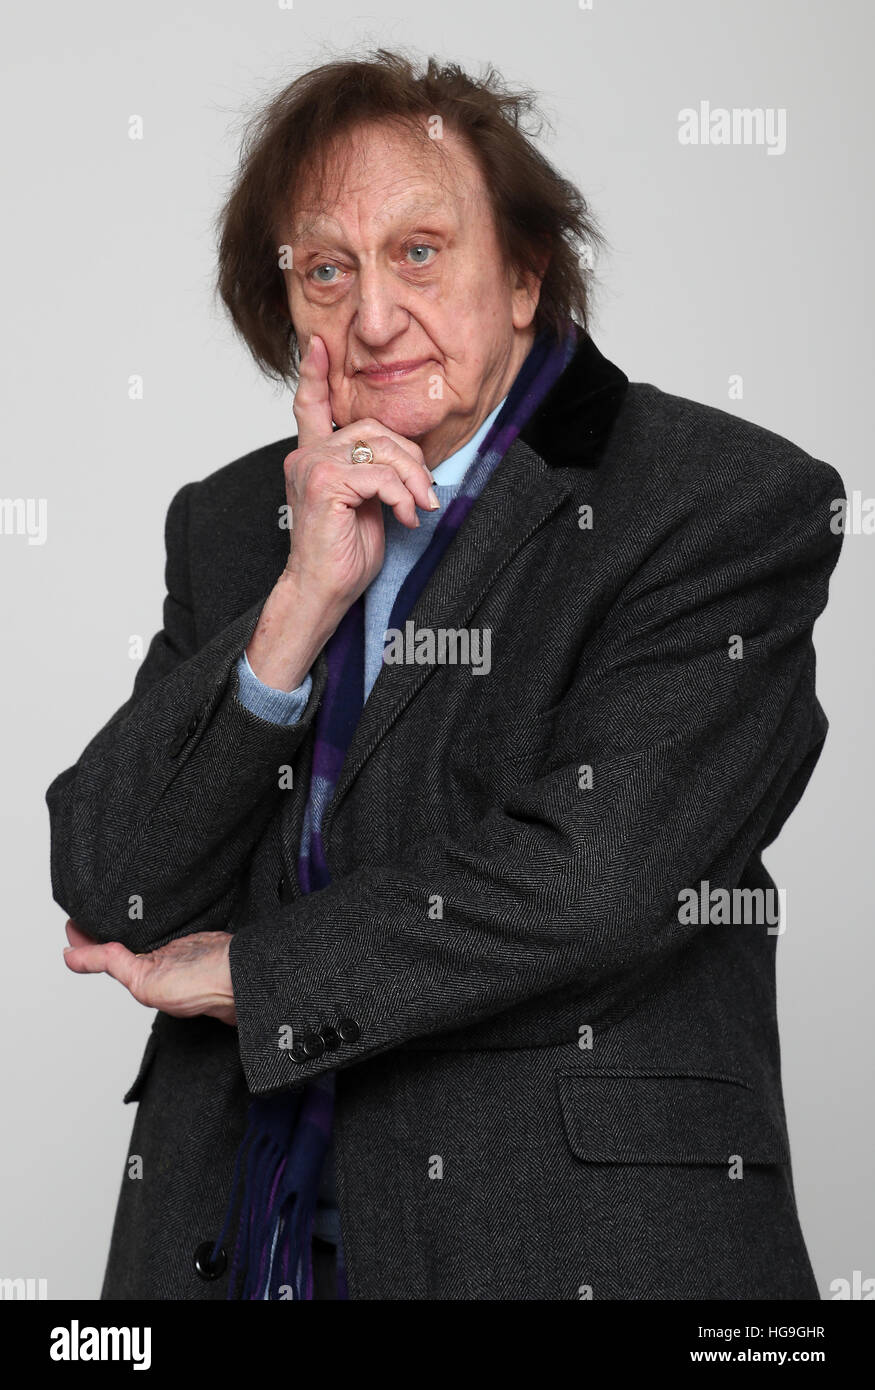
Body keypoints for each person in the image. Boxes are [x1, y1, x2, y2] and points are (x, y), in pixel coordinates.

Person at [47, 50, 844, 1300]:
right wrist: (299, 601)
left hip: (558, 1246)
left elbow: (599, 876)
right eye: (327, 269)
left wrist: (264, 976)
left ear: (522, 275)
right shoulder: (229, 521)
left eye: (419, 251)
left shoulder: (719, 502)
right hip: (229, 1246)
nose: (370, 318)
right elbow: (113, 882)